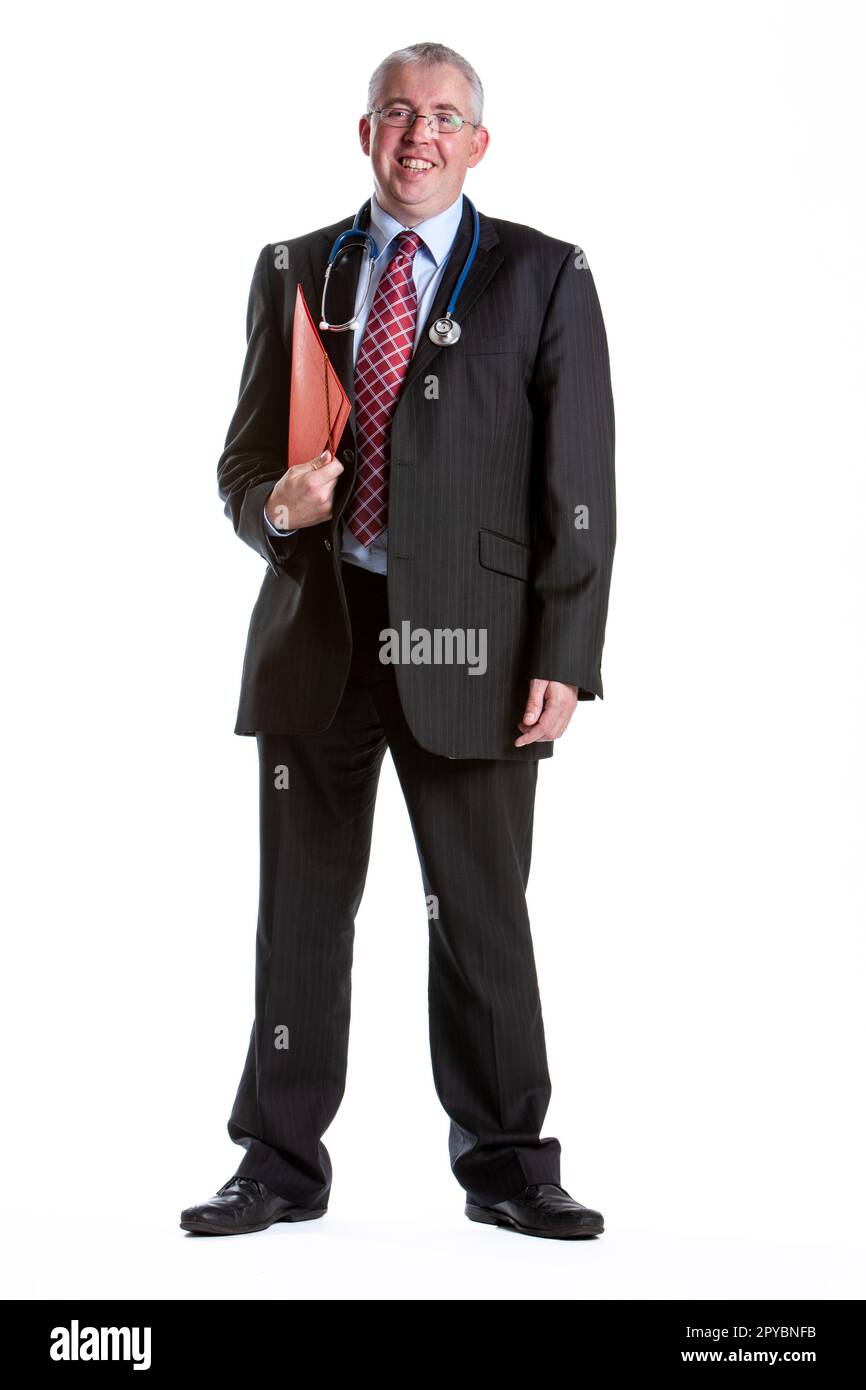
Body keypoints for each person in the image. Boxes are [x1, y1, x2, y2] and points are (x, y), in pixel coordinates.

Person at [181, 41, 616, 1241]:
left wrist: (564, 651)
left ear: (477, 143)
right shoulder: (294, 270)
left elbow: (577, 481)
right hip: (316, 631)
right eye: (394, 113)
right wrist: (278, 508)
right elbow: (241, 465)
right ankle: (274, 1162)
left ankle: (510, 1162)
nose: (416, 134)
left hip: (475, 643)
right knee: (300, 909)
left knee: (478, 905)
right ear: (362, 132)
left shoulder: (541, 273)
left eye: (442, 116)